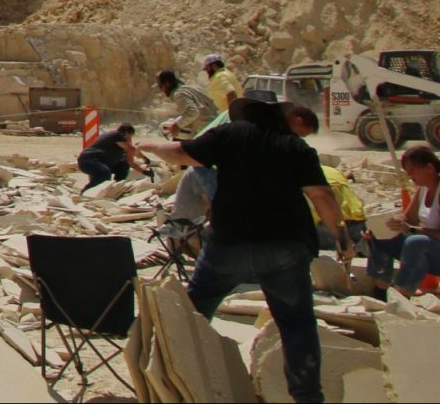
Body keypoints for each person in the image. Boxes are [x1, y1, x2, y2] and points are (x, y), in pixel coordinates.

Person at [142, 95, 347, 404]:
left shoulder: (229, 134)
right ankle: (307, 397)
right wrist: (342, 236)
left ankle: (170, 385)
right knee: (297, 325)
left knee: (191, 312)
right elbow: (322, 196)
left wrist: (146, 147)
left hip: (230, 242)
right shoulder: (294, 146)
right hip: (285, 245)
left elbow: (181, 152)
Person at [366, 144, 440, 299]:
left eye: (412, 170)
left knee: (415, 242)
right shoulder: (424, 189)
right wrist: (385, 223)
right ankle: (380, 289)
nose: (409, 175)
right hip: (435, 247)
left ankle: (402, 296)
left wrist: (411, 229)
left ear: (429, 168)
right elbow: (409, 218)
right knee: (378, 233)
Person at [77, 123, 151, 192]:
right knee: (104, 173)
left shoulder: (121, 145)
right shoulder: (116, 135)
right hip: (89, 160)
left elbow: (131, 163)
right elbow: (132, 149)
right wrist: (145, 158)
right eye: (130, 136)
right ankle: (86, 191)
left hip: (102, 162)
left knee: (123, 165)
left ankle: (115, 189)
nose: (130, 139)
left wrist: (145, 172)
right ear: (126, 133)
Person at [157, 70, 219, 138]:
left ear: (167, 84)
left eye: (160, 86)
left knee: (164, 127)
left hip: (208, 130)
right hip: (216, 123)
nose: (161, 90)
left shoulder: (179, 94)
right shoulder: (191, 87)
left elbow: (193, 112)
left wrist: (177, 126)